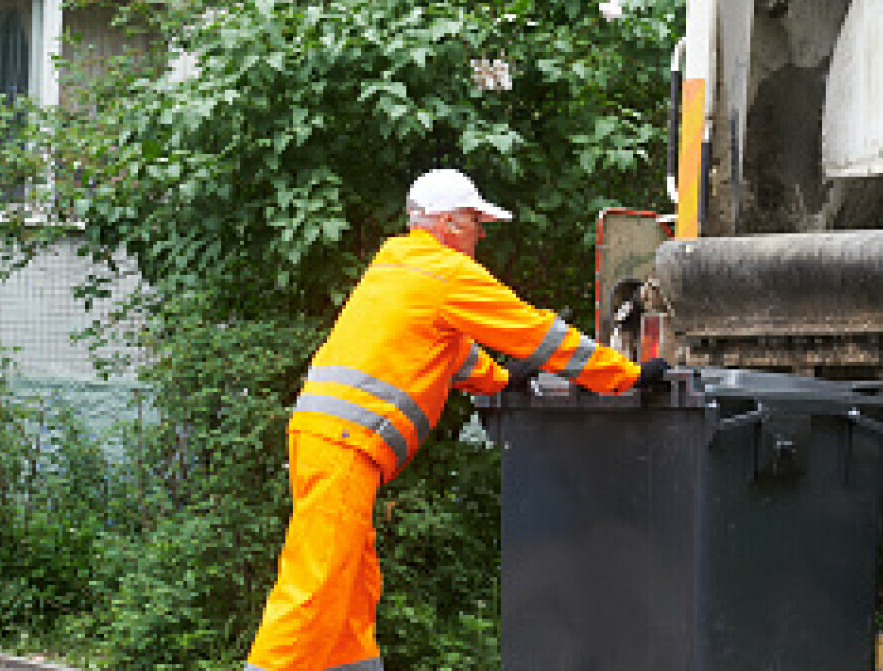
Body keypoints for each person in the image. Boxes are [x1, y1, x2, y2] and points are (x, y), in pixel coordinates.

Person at [244, 168, 667, 671]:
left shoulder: (399, 266)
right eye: (475, 221)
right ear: (447, 223)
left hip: (324, 439)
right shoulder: (446, 273)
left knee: (351, 586)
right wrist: (624, 375)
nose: (481, 233)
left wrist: (499, 381)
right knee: (316, 587)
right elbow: (536, 334)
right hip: (344, 444)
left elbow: (451, 353)